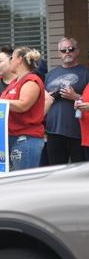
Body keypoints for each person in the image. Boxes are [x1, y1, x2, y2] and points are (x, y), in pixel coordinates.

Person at [0, 47, 45, 170]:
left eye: (12, 57)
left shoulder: (31, 80)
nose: (10, 61)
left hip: (26, 139)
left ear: (19, 59)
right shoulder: (15, 81)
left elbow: (23, 105)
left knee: (23, 183)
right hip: (12, 137)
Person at [44, 37, 89, 165]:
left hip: (78, 132)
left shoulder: (86, 73)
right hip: (53, 131)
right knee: (55, 171)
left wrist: (75, 96)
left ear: (77, 51)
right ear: (59, 53)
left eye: (71, 49)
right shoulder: (50, 75)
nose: (67, 52)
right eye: (63, 50)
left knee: (80, 174)